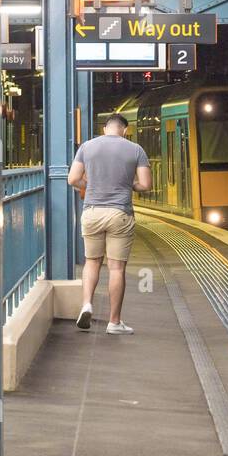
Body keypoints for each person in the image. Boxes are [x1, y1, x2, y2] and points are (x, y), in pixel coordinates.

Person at [67, 114, 152, 334]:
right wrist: (130, 184)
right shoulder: (136, 149)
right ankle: (114, 322)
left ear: (105, 129)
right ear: (124, 129)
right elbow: (145, 184)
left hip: (92, 212)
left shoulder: (87, 147)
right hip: (119, 213)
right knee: (116, 268)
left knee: (92, 262)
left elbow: (73, 179)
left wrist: (91, 183)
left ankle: (87, 304)